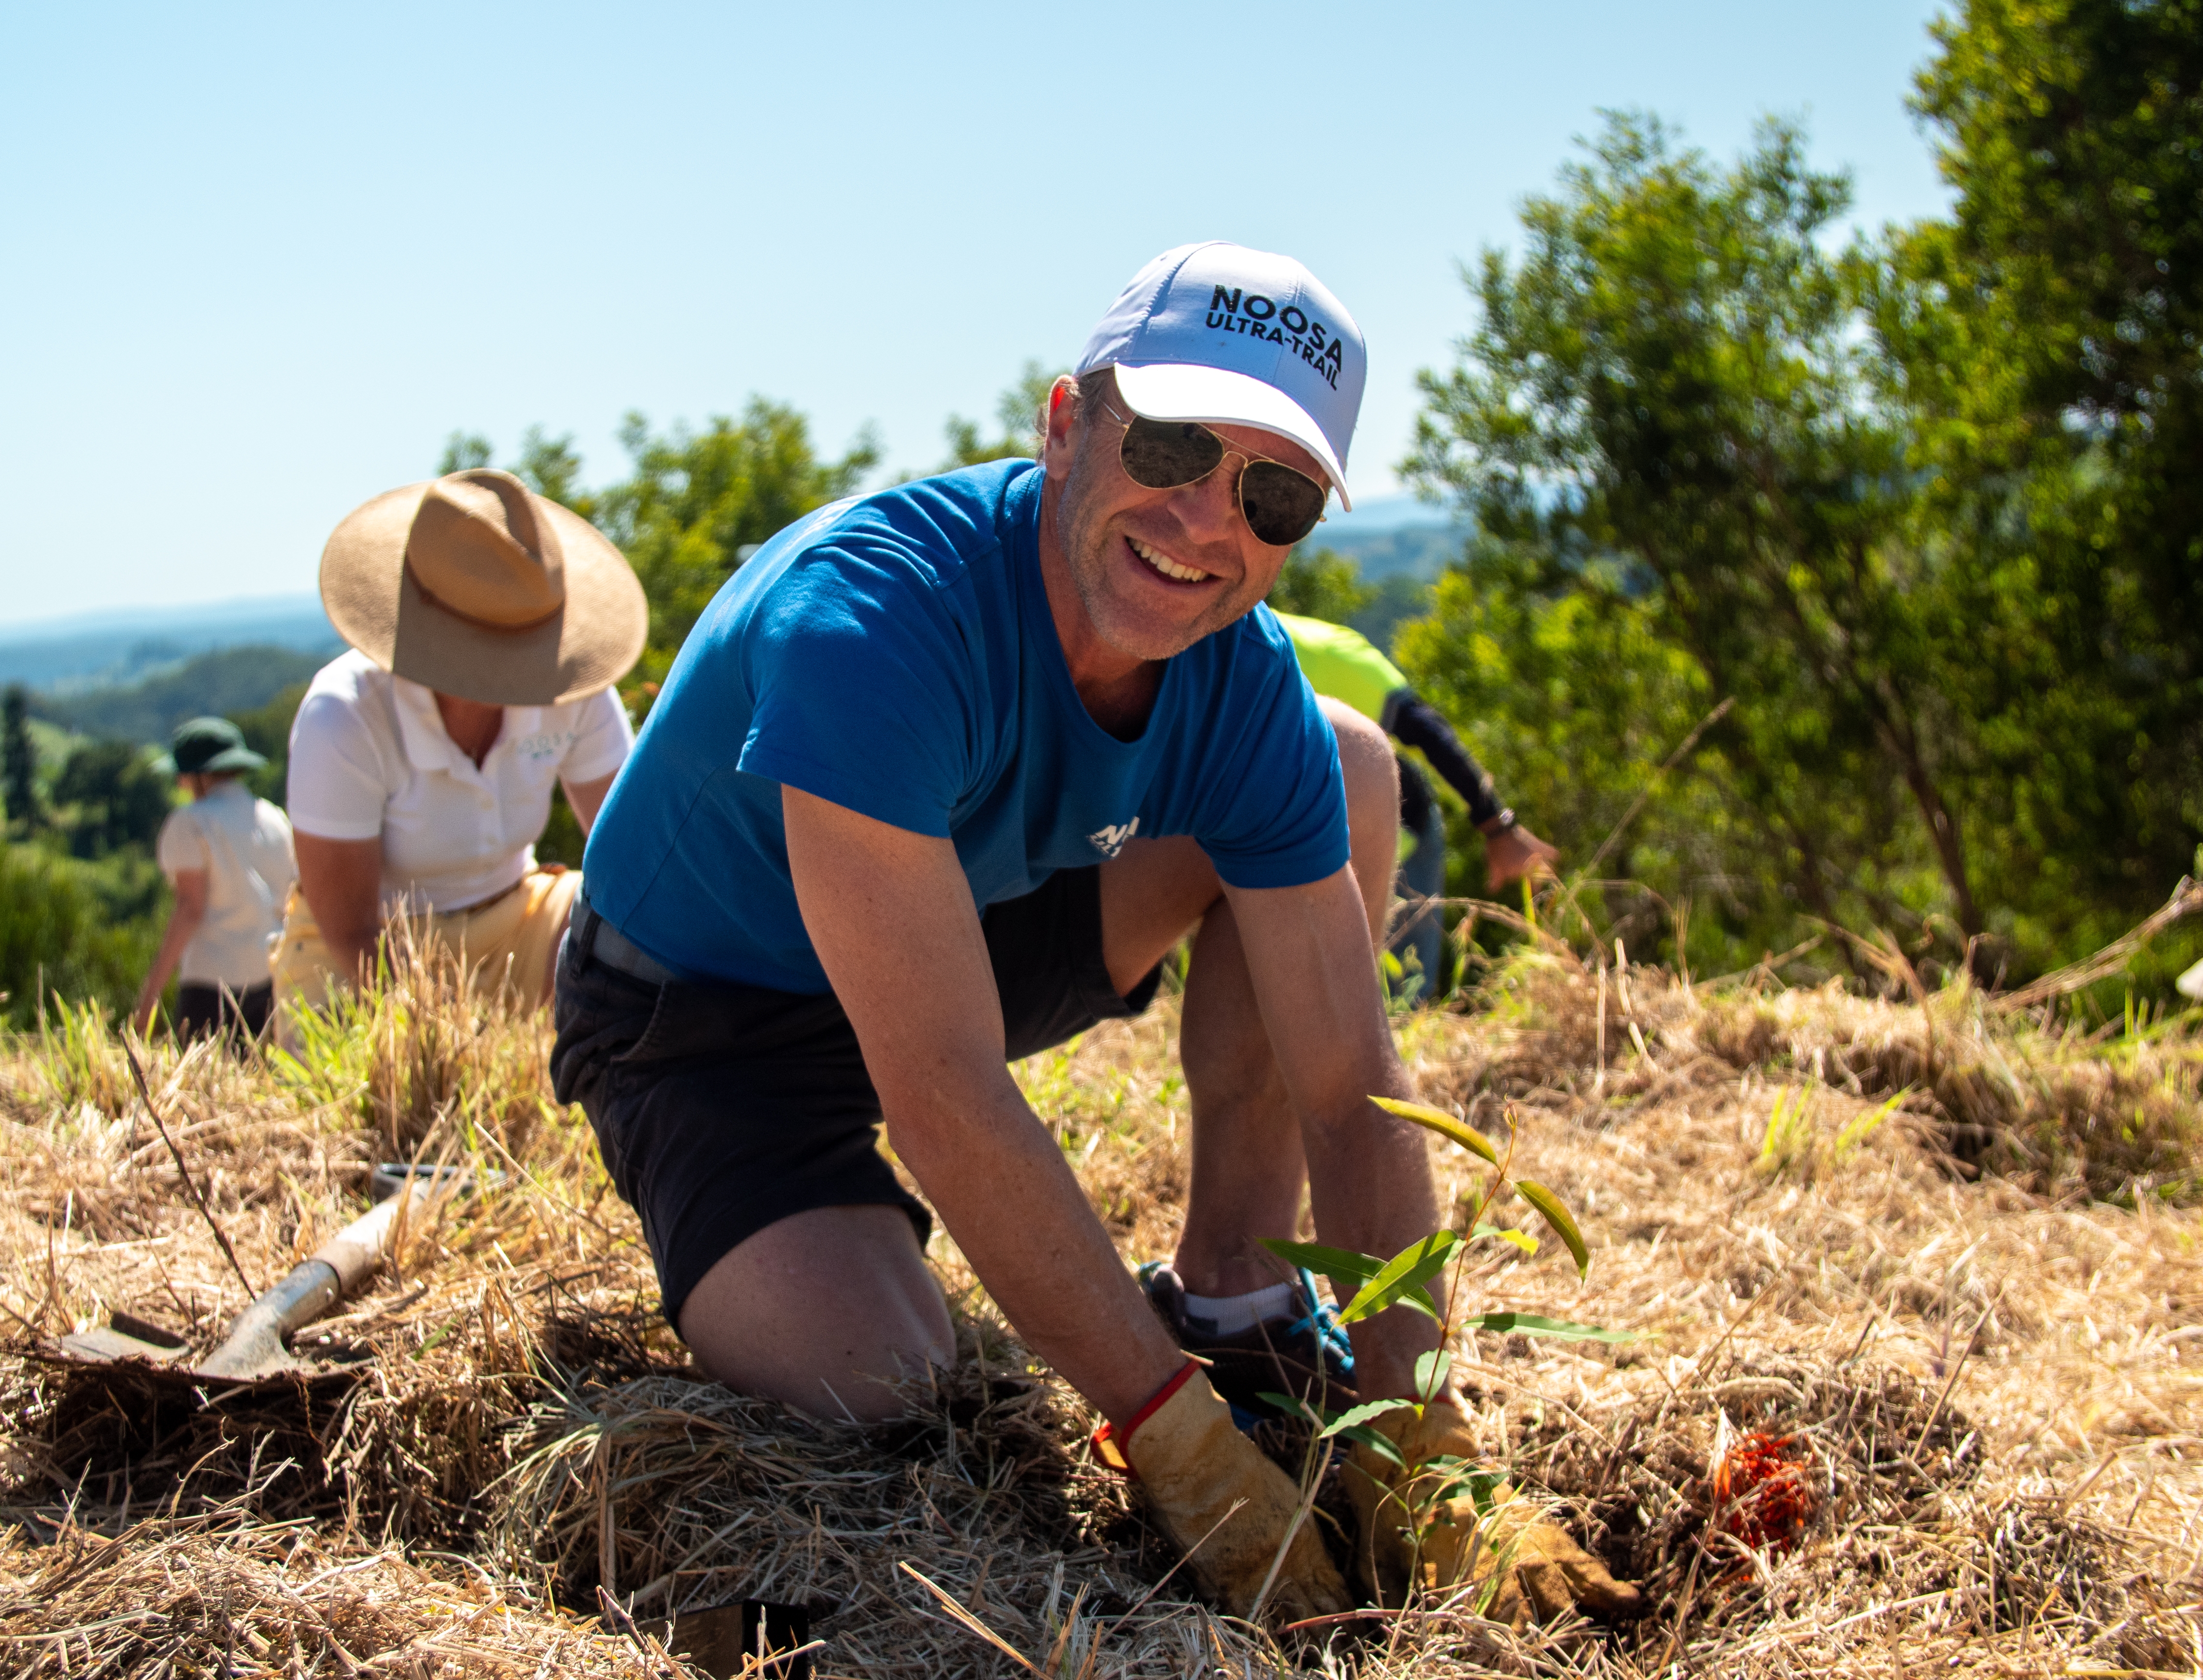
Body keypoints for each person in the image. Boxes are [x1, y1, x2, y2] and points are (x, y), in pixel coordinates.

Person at [555, 244, 1634, 1626]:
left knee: (1348, 763)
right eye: (1172, 445)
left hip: (960, 918)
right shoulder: (872, 616)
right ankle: (1134, 1353)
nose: (1203, 520)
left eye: (1273, 494)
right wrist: (1177, 1439)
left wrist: (1424, 1437)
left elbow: (1351, 1094)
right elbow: (943, 1093)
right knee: (882, 1381)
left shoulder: (1240, 683)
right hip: (708, 1012)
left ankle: (1234, 1292)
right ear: (1067, 425)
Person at [271, 467, 646, 1019]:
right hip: (371, 945)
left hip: (519, 918)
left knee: (632, 941)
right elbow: (350, 930)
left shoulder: (573, 691)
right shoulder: (344, 715)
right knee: (358, 1058)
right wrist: (447, 1033)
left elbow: (636, 854)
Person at [1274, 612, 1560, 1000]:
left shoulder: (1320, 649)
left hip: (1400, 839)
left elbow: (1425, 731)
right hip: (1291, 842)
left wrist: (1497, 826)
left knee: (1401, 990)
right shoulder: (1208, 648)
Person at [133, 716, 298, 1045]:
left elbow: (190, 908)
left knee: (205, 1074)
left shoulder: (191, 823)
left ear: (199, 775)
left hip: (210, 982)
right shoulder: (276, 819)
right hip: (272, 977)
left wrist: (151, 994)